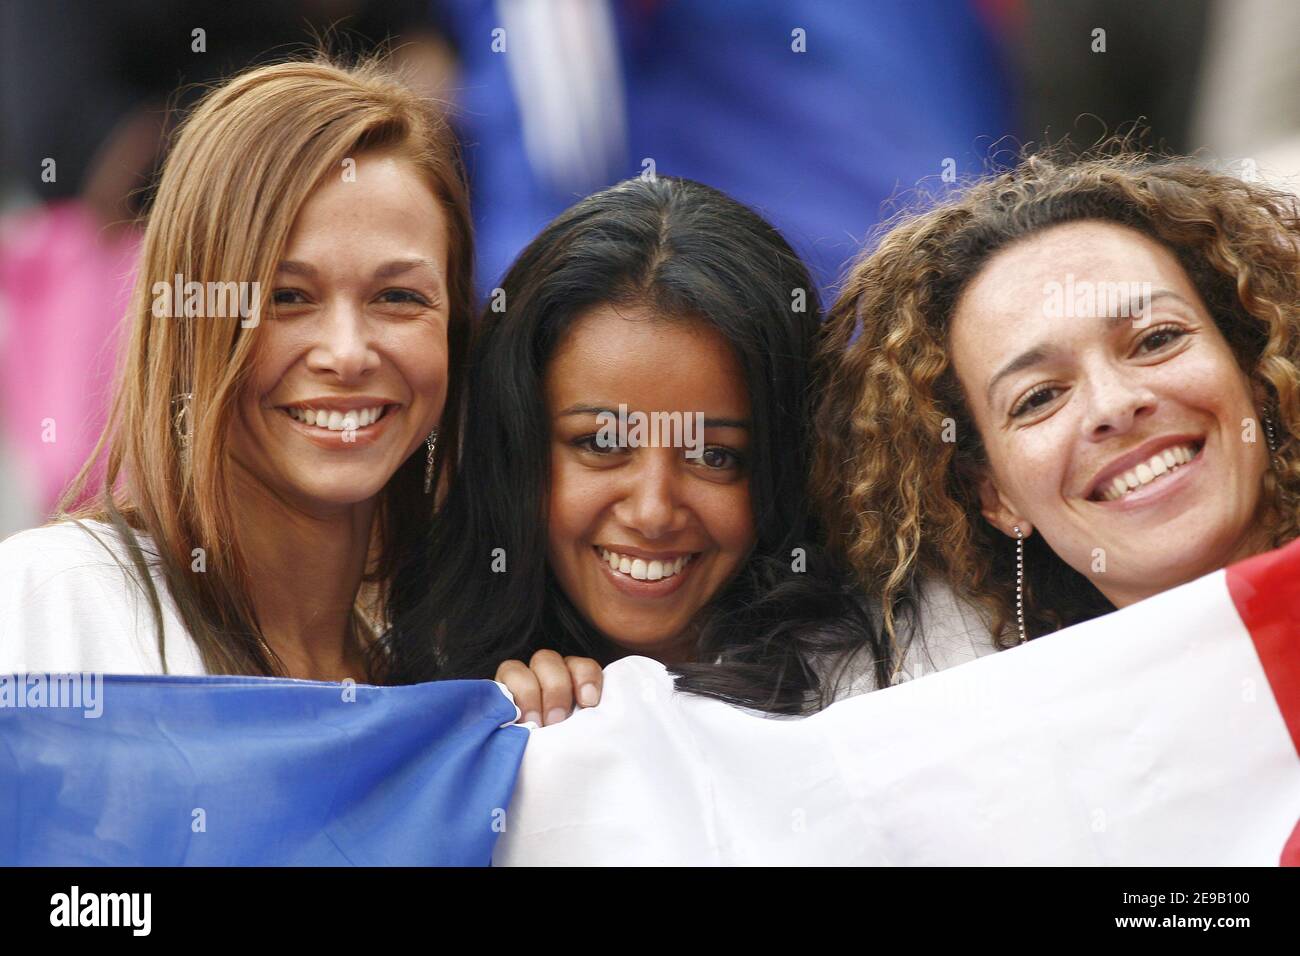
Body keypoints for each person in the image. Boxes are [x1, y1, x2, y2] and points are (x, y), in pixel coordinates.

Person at [382, 176, 951, 719]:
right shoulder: (415, 688)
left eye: (714, 456)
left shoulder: (907, 677)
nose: (653, 512)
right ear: (513, 448)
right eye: (602, 444)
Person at [0, 56, 474, 682]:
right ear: (188, 323)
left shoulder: (449, 684)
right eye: (285, 297)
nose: (348, 352)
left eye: (399, 297)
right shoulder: (49, 606)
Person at [812, 149, 1300, 647]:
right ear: (996, 497)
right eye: (1039, 397)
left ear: (1254, 369)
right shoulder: (1004, 723)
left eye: (1156, 339)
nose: (1114, 406)